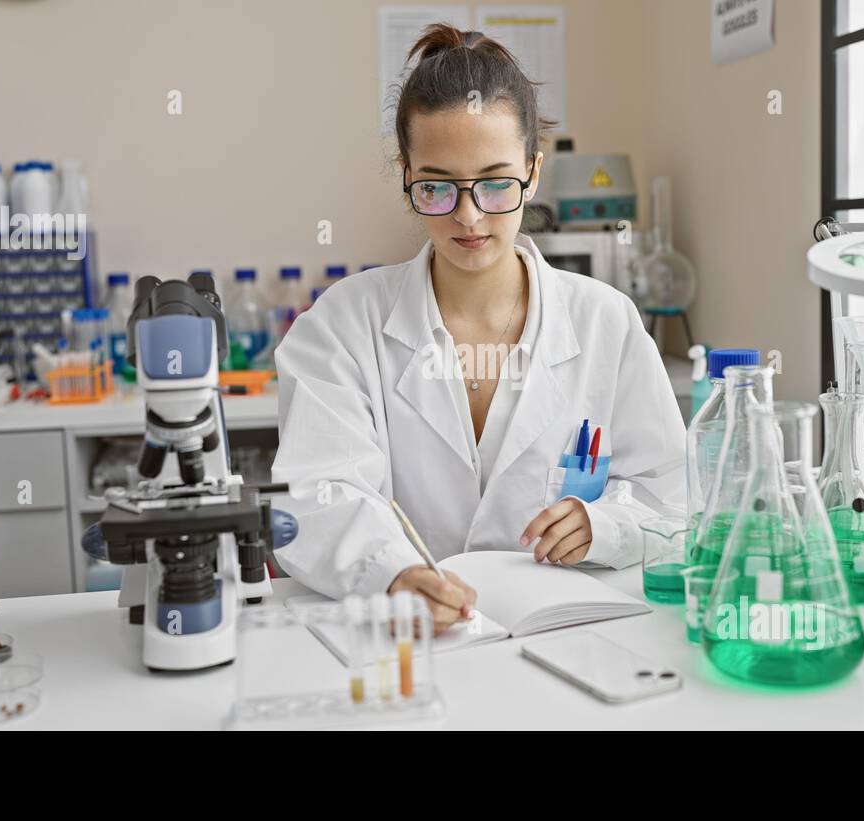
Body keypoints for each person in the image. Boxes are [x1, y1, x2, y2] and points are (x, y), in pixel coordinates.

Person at [272, 24, 685, 632]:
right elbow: (317, 494)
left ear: (533, 172)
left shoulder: (607, 322)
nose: (468, 216)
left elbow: (670, 495)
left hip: (566, 638)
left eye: (495, 183)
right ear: (406, 174)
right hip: (409, 642)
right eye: (437, 187)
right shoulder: (342, 324)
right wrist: (391, 572)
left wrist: (605, 525)